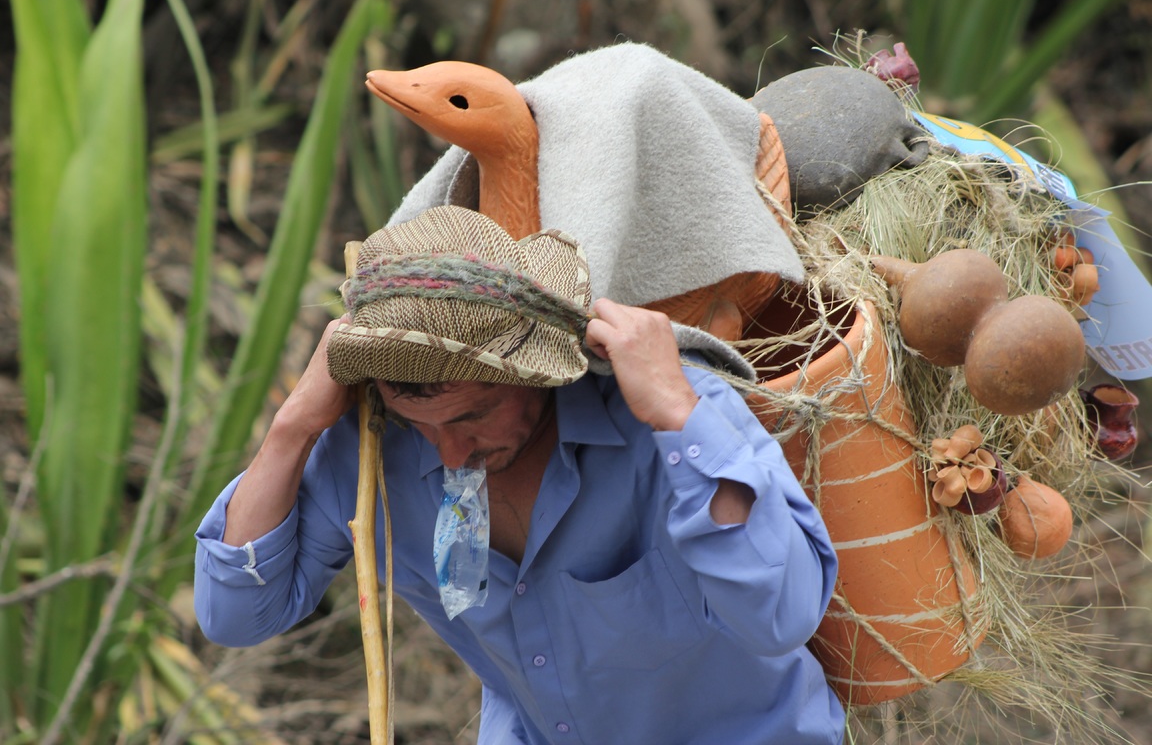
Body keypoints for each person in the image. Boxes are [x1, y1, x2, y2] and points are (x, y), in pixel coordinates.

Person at [194, 205, 845, 744]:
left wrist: (679, 413)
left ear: (536, 370)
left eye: (473, 416)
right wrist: (292, 430)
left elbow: (781, 619)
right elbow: (235, 615)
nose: (450, 455)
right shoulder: (370, 447)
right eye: (424, 426)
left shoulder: (673, 414)